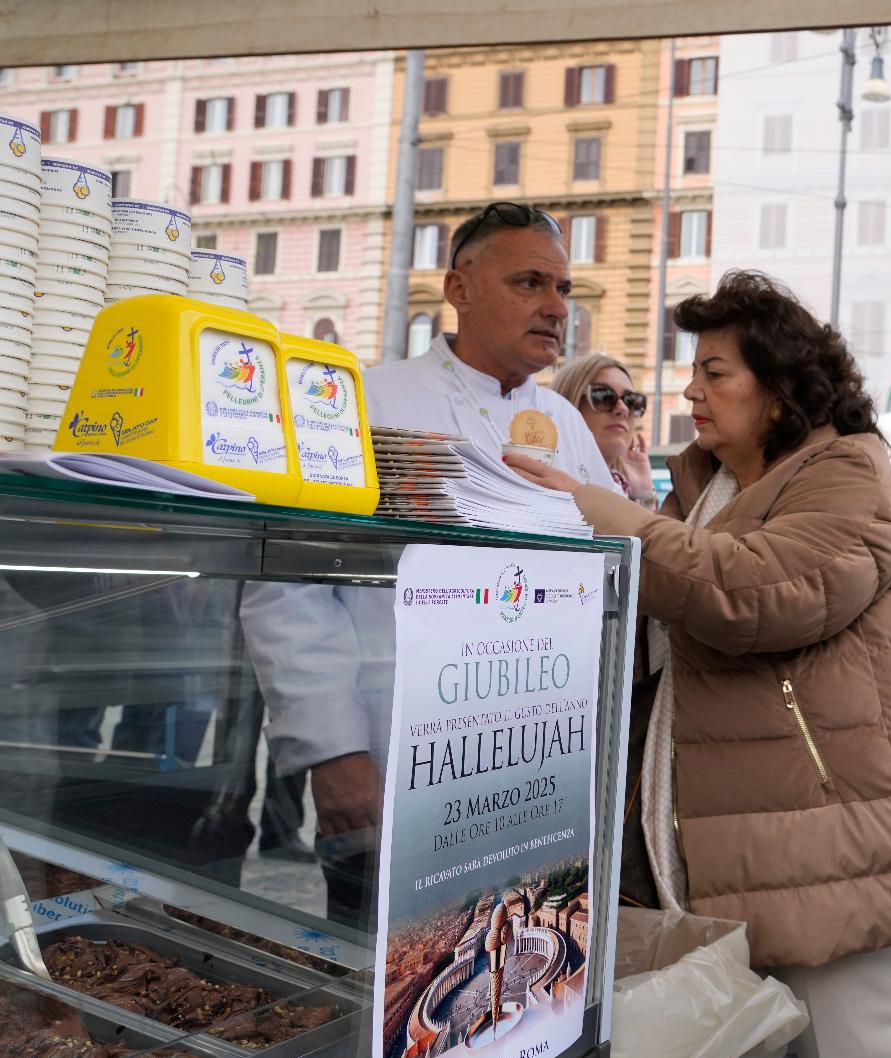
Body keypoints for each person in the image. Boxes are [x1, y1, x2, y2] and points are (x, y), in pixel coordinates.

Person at [507, 269, 891, 1058]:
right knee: (737, 1052)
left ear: (781, 389)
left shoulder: (848, 474)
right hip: (730, 844)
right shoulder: (713, 486)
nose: (690, 390)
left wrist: (592, 510)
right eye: (691, 372)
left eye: (714, 372)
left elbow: (746, 591)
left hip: (832, 847)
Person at [241, 202, 614, 927]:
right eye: (529, 283)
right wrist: (334, 750)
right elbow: (289, 584)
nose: (554, 307)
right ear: (459, 289)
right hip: (394, 769)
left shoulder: (568, 426)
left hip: (537, 782)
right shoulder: (369, 402)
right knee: (387, 993)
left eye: (563, 288)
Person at [551, 351, 656, 508]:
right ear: (569, 403)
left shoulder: (623, 488)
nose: (623, 409)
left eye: (632, 401)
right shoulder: (545, 482)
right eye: (604, 396)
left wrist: (643, 494)